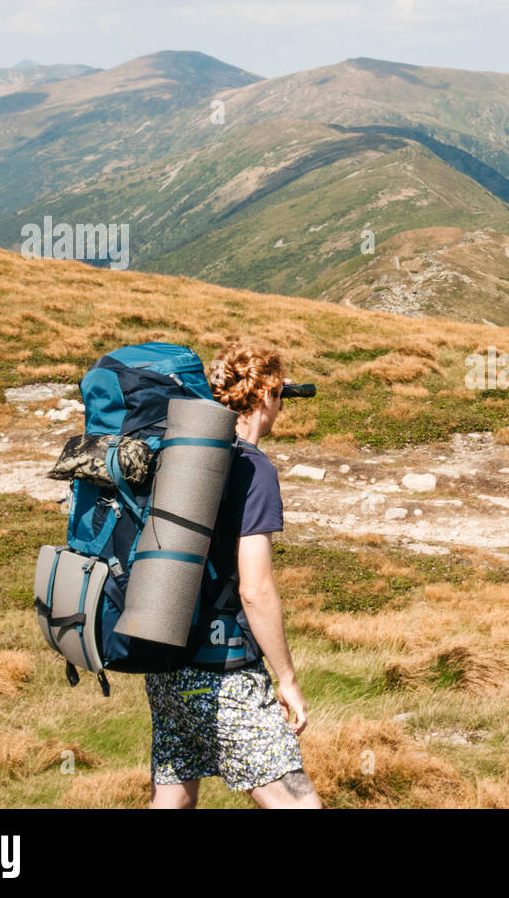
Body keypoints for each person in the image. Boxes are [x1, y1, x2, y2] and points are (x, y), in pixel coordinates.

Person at [145, 339, 322, 809]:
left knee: (174, 796)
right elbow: (256, 590)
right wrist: (286, 679)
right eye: (281, 395)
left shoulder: (182, 456)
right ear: (265, 395)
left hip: (166, 662)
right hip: (224, 675)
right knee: (300, 805)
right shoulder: (252, 469)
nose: (282, 407)